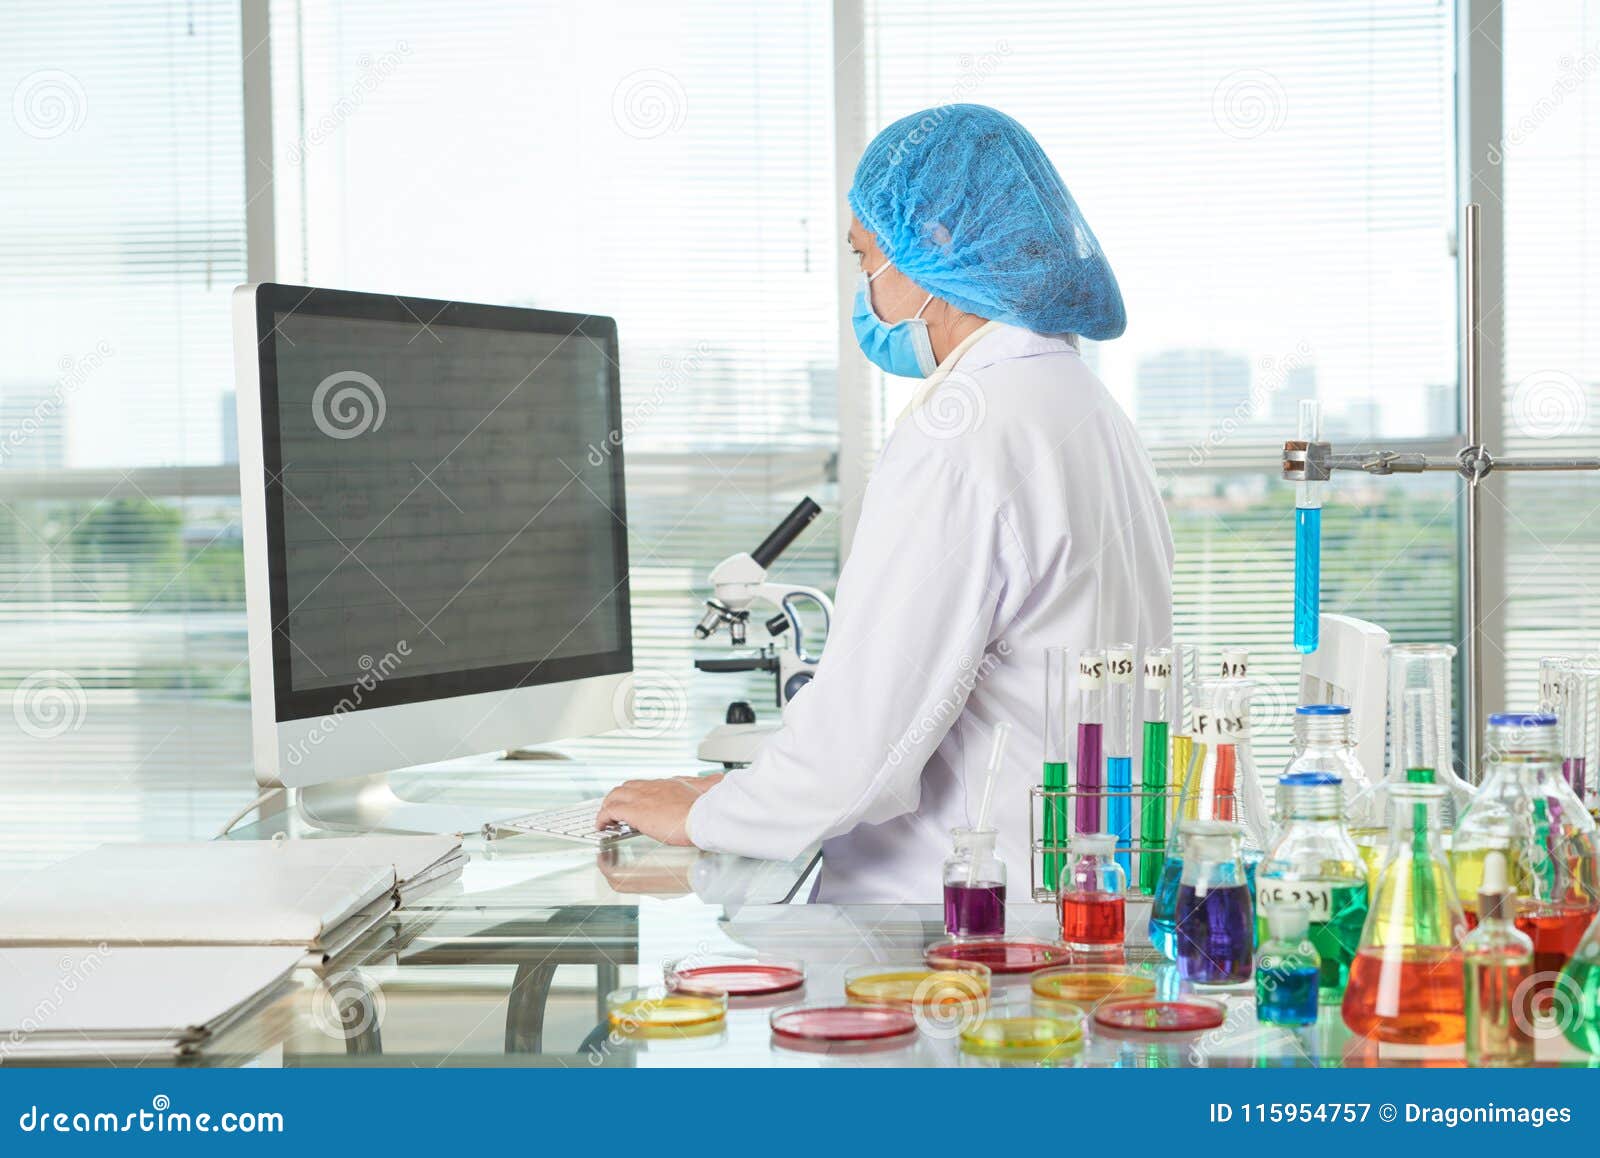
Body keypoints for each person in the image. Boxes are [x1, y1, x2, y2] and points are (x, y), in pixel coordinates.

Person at [597, 104, 1172, 902]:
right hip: (1071, 893)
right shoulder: (1083, 405)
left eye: (866, 255)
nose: (864, 286)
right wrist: (738, 797)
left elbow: (861, 743)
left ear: (934, 248)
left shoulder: (963, 427)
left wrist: (703, 817)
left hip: (957, 921)